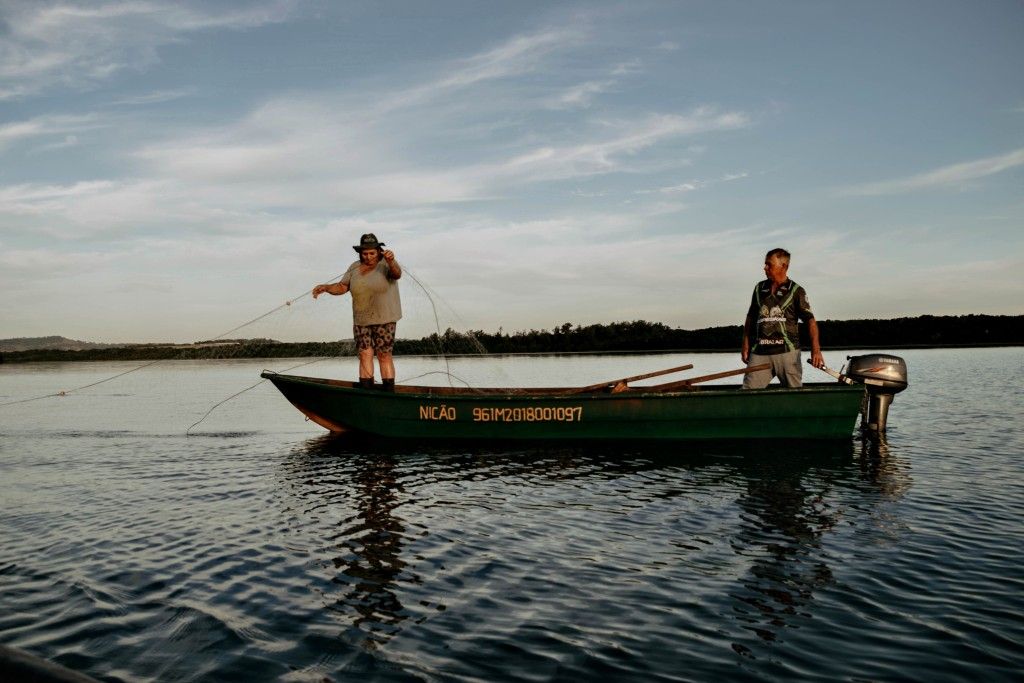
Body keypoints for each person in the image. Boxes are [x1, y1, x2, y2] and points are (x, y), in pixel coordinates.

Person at [313, 233, 402, 391]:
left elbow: (397, 274)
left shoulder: (387, 263)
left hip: (385, 318)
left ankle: (389, 393)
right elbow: (342, 287)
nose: (368, 257)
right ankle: (366, 392)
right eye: (365, 253)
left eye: (372, 253)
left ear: (378, 251)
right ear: (360, 253)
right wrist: (326, 288)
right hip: (361, 321)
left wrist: (391, 260)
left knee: (384, 355)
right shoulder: (354, 267)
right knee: (364, 354)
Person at [740, 248, 824, 389]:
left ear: (783, 266)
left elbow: (810, 321)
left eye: (769, 264)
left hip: (788, 353)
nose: (765, 267)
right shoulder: (758, 288)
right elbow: (751, 317)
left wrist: (816, 349)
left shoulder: (796, 290)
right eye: (765, 264)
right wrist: (745, 343)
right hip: (760, 352)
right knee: (747, 393)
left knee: (794, 396)